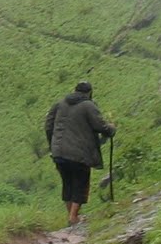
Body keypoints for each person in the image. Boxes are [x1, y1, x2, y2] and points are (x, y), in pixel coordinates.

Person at [44, 80, 116, 227]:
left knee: (67, 183)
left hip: (58, 152)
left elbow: (48, 126)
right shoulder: (88, 106)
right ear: (89, 92)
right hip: (78, 153)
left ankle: (71, 216)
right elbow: (99, 125)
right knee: (80, 183)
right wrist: (111, 129)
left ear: (75, 90)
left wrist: (53, 145)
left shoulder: (60, 103)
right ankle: (73, 218)